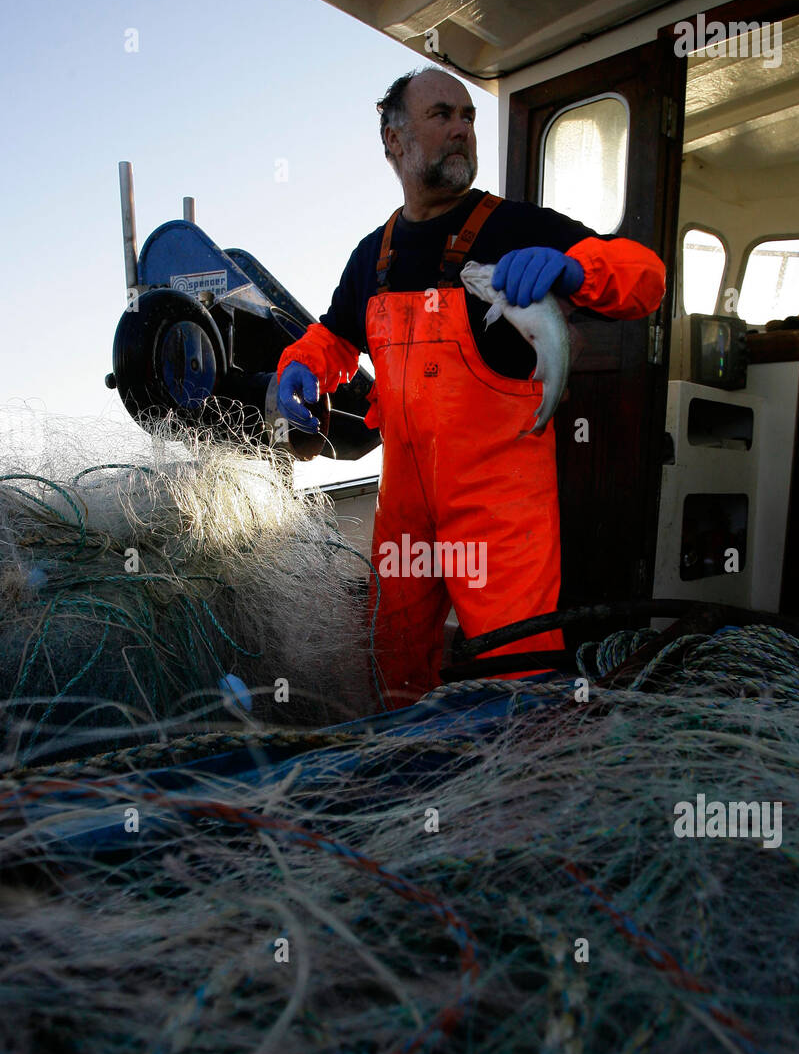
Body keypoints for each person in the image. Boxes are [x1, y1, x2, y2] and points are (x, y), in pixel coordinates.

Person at [275, 67, 665, 709]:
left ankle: (513, 802)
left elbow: (643, 277)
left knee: (520, 679)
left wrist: (575, 269)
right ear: (393, 140)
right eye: (441, 116)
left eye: (467, 116)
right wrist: (302, 365)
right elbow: (336, 337)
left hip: (501, 509)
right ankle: (410, 782)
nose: (461, 128)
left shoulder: (516, 227)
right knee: (394, 666)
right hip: (403, 504)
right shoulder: (374, 255)